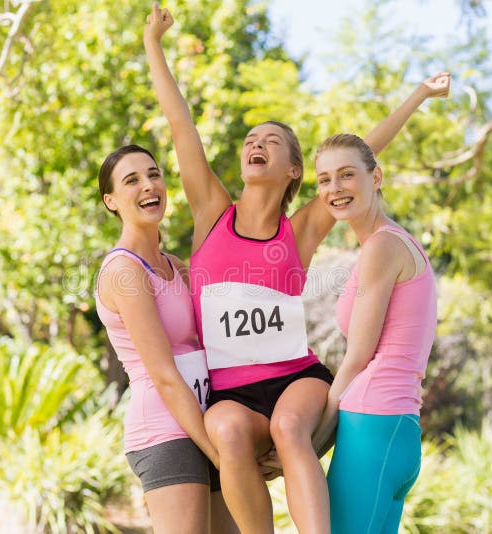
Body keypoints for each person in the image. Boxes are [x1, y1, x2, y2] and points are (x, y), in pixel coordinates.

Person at [144, 5, 449, 532]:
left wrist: (417, 96)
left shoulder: (302, 229)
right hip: (231, 389)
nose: (255, 145)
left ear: (293, 169)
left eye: (271, 141)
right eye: (249, 141)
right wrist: (154, 43)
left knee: (289, 426)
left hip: (295, 378)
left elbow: (363, 154)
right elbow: (179, 124)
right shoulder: (211, 211)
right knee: (229, 433)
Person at [94, 144, 237, 534]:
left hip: (207, 423)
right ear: (111, 201)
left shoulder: (176, 266)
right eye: (132, 180)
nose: (148, 185)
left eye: (154, 174)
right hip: (164, 431)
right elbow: (164, 374)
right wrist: (223, 458)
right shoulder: (124, 270)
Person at [311, 133, 439, 533]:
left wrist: (312, 442)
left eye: (347, 175)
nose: (335, 188)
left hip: (373, 423)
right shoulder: (395, 243)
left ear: (376, 177)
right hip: (396, 427)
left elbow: (358, 356)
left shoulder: (382, 247)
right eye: (324, 179)